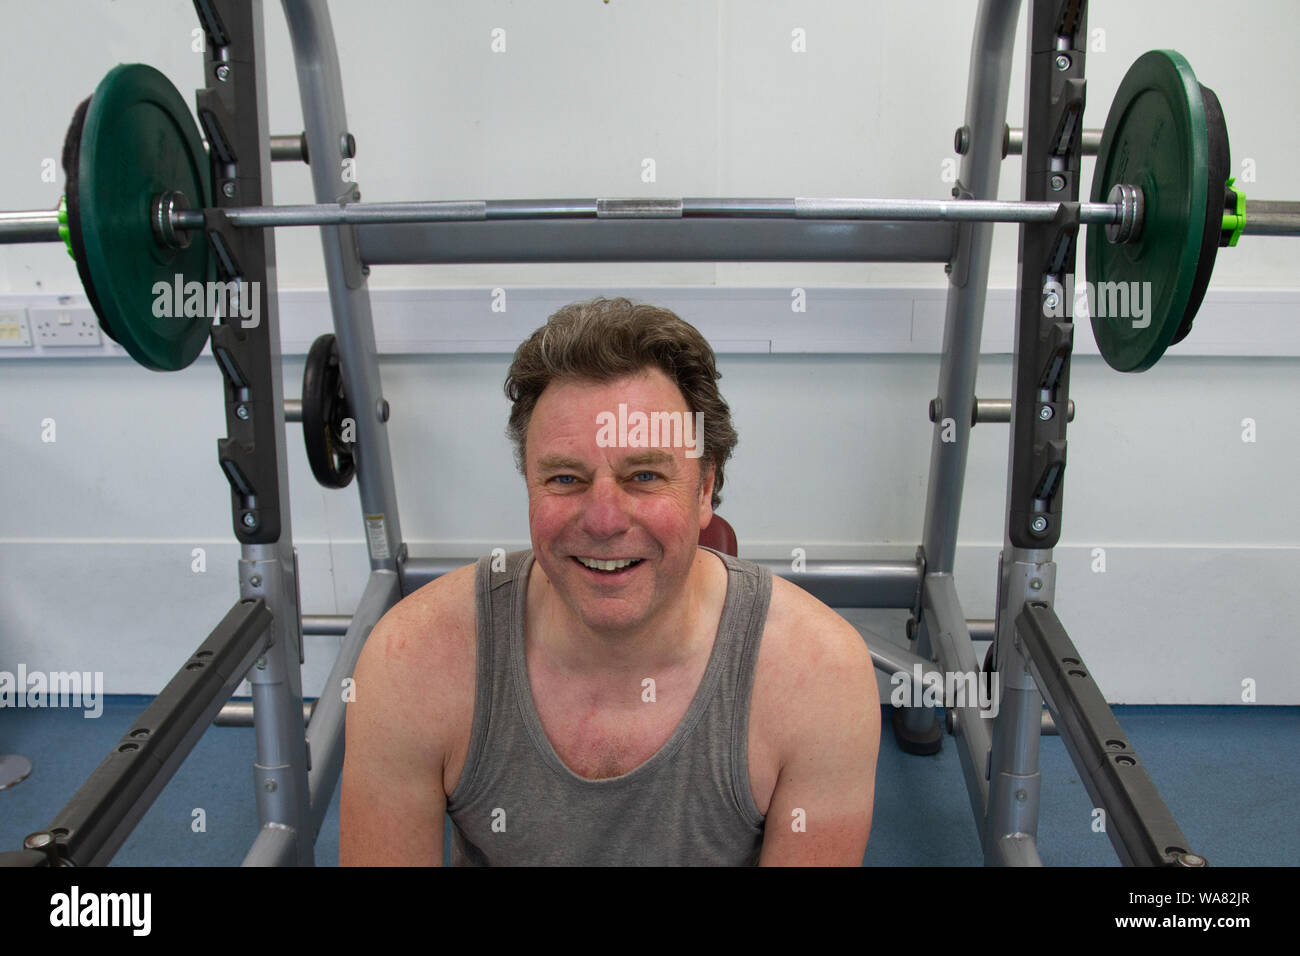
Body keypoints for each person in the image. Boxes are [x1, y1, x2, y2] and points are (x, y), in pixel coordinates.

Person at [339, 297, 880, 865]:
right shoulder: (410, 663)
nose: (603, 520)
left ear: (702, 491)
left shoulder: (821, 678)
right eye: (566, 477)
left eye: (644, 475)